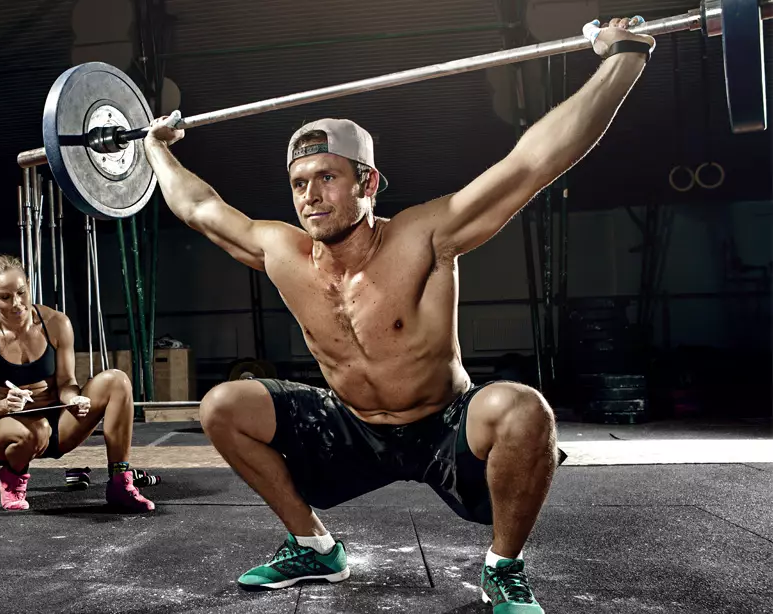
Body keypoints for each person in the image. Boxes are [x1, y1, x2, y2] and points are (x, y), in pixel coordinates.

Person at [142, 16, 654, 612]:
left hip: (445, 423)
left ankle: (503, 568)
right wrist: (154, 149)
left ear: (368, 183)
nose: (310, 196)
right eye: (299, 183)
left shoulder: (424, 236)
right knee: (222, 405)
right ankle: (313, 546)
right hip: (352, 427)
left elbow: (531, 164)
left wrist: (622, 61)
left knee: (523, 410)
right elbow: (199, 207)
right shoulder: (280, 251)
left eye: (327, 178)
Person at [0, 254, 154, 513]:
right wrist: (6, 404)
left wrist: (73, 399)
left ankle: (120, 482)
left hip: (57, 426)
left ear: (28, 285)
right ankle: (12, 477)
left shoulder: (57, 324)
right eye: (5, 297)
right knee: (33, 431)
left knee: (117, 381)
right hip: (7, 431)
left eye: (21, 292)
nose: (17, 303)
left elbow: (66, 383)